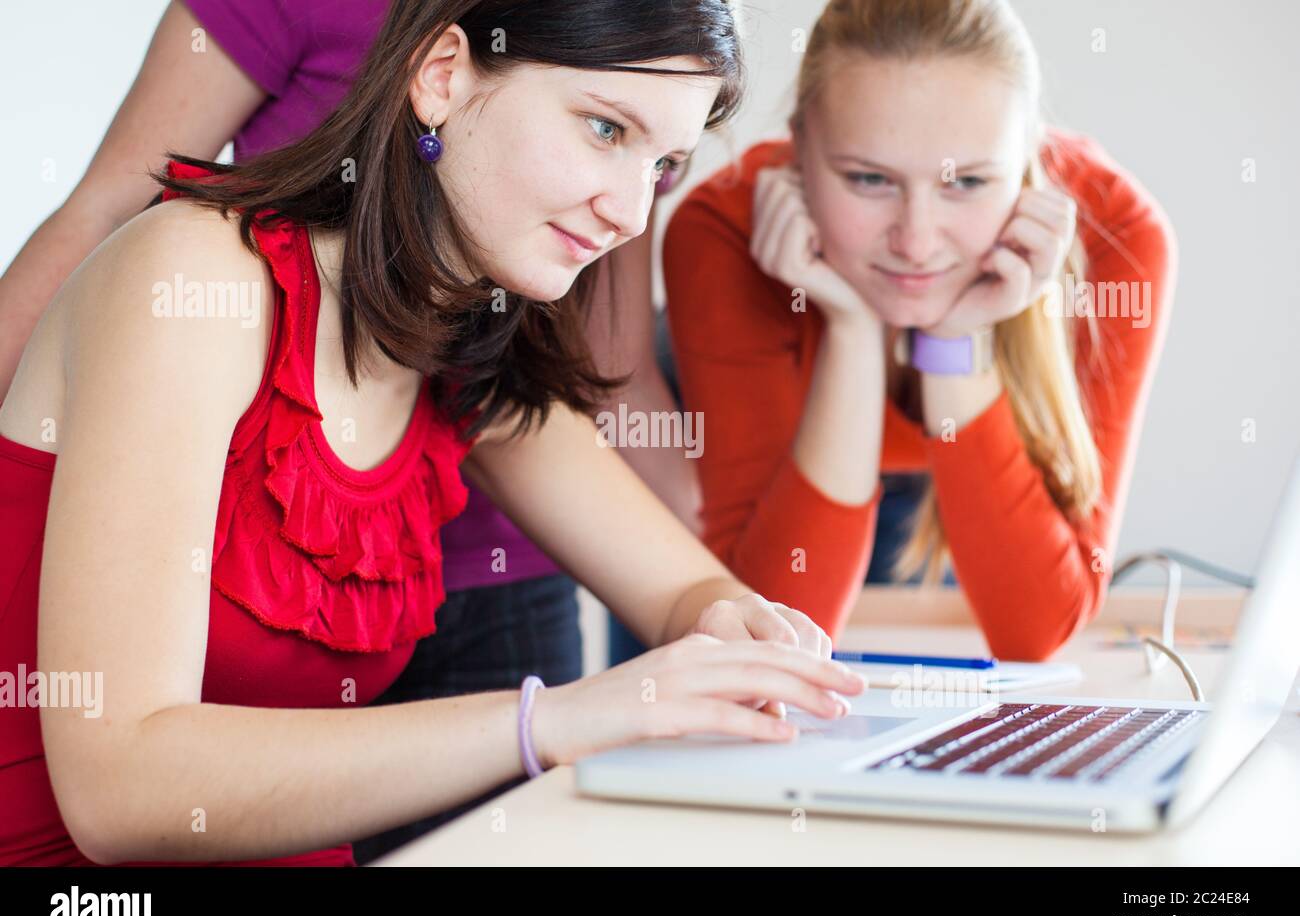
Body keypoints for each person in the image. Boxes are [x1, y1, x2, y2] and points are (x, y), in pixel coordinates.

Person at [0, 0, 865, 867]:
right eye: (605, 128)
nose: (633, 215)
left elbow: (686, 595)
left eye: (664, 164)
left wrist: (750, 632)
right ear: (442, 76)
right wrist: (550, 720)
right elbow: (117, 792)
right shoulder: (194, 283)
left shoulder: (455, 351)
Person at [663, 0, 1176, 660]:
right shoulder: (725, 231)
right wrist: (849, 330)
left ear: (1023, 165)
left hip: (967, 464)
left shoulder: (1115, 235)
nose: (916, 242)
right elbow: (773, 637)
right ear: (798, 148)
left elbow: (1036, 630)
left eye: (965, 182)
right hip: (785, 476)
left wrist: (955, 342)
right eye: (869, 179)